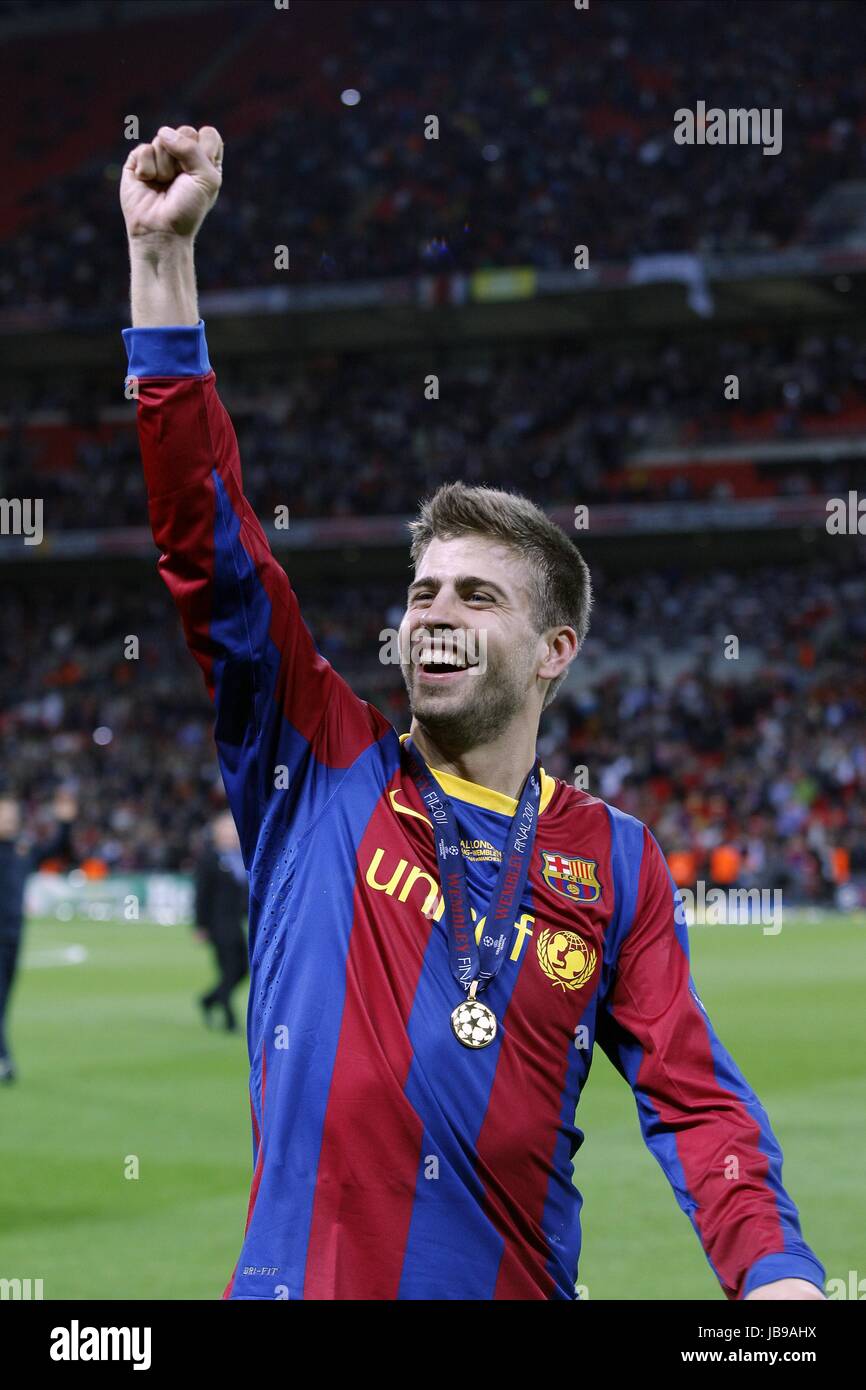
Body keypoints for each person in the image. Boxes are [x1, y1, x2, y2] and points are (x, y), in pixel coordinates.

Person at [119, 124, 825, 1302]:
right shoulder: (318, 763)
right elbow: (207, 540)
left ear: (555, 650)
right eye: (420, 589)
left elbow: (697, 1106)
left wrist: (780, 1282)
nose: (432, 613)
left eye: (476, 594)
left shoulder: (617, 864)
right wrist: (161, 260)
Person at [0, 790, 77, 1083]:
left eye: (11, 816)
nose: (8, 820)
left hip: (13, 935)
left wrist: (65, 823)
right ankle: (5, 1060)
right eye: (3, 815)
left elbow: (57, 850)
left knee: (4, 1001)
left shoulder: (22, 849)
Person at [194, 811, 249, 1032]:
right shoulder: (210, 859)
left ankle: (209, 1000)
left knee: (242, 970)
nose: (230, 835)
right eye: (226, 831)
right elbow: (202, 894)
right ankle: (230, 1020)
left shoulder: (241, 857)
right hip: (218, 924)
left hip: (236, 923)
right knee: (228, 971)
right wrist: (200, 926)